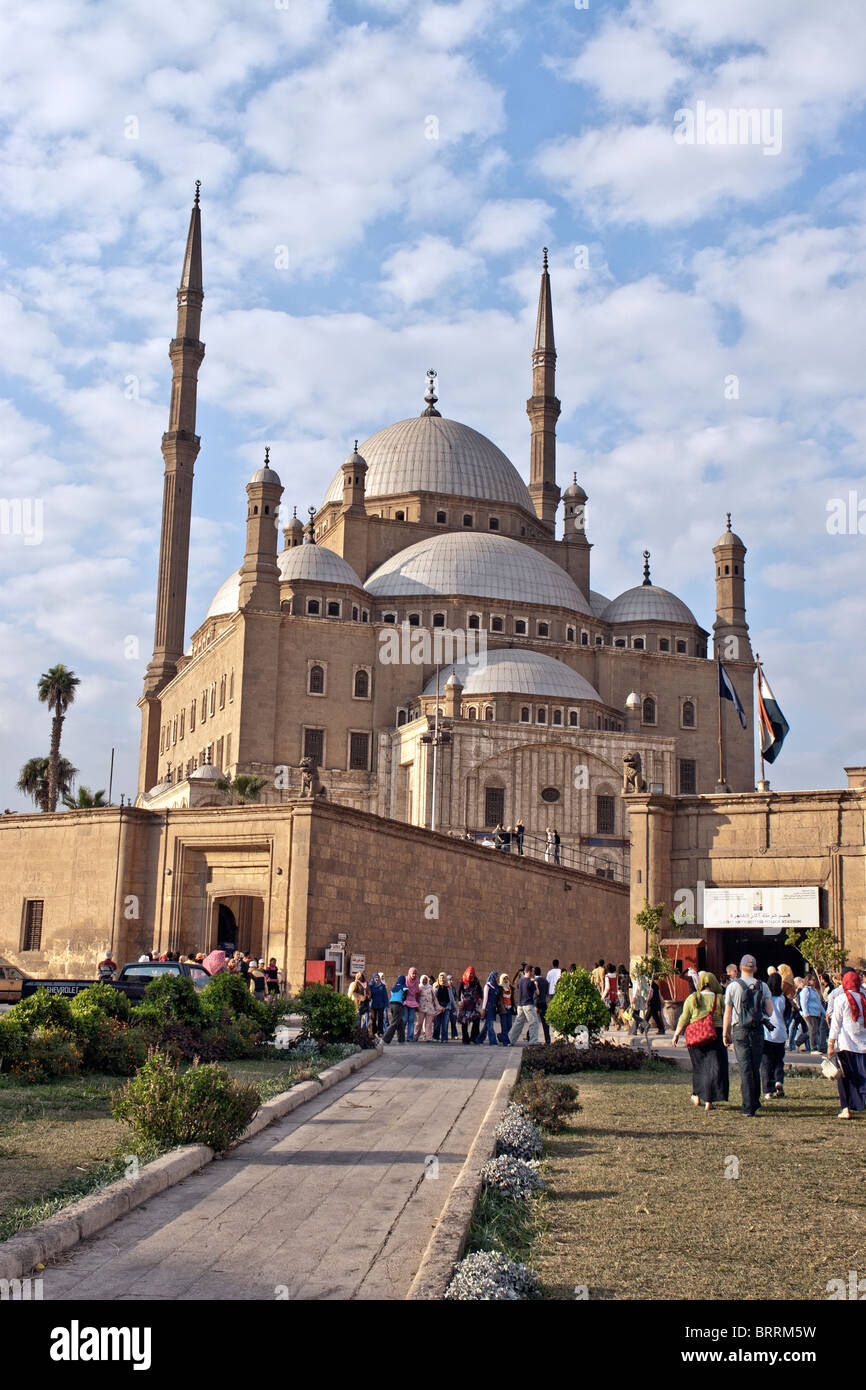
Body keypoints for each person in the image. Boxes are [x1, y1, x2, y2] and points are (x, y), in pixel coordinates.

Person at [723, 954, 772, 1117]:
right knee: (755, 1066)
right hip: (757, 1029)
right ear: (755, 969)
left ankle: (747, 1106)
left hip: (739, 1029)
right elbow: (770, 1011)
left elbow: (728, 1013)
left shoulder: (732, 986)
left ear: (740, 968)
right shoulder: (763, 986)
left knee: (744, 1067)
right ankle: (755, 1101)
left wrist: (725, 1033)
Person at [671, 971, 728, 1111]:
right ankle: (709, 1100)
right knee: (714, 1068)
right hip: (716, 1033)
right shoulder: (720, 998)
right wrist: (728, 1034)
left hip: (696, 1034)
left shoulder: (693, 998)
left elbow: (684, 1017)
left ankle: (696, 1095)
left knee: (699, 1067)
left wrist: (676, 1034)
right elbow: (726, 1016)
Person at [827, 969, 866, 1118]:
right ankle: (858, 1103)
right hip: (863, 1045)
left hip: (846, 1044)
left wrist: (831, 1044)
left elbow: (836, 1024)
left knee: (844, 1077)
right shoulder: (864, 997)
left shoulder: (841, 999)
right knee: (861, 1076)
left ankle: (846, 1108)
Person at [761, 972, 789, 1100]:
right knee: (779, 1060)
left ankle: (768, 1090)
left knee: (766, 1063)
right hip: (780, 1033)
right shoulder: (784, 999)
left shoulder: (765, 998)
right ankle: (778, 1081)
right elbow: (787, 1015)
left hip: (767, 1034)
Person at [509, 966, 540, 1045]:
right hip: (528, 1004)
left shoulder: (520, 981)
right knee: (534, 1023)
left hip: (520, 1005)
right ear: (529, 972)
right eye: (532, 971)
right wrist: (535, 984)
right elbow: (537, 992)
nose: (533, 973)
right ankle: (533, 1041)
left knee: (518, 1023)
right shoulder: (531, 981)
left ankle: (510, 1040)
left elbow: (519, 987)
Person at [798, 974, 824, 1052]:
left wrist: (823, 1012)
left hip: (816, 1013)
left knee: (813, 1030)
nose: (814, 981)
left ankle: (799, 1041)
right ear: (808, 981)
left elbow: (818, 1002)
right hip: (810, 1013)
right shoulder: (806, 990)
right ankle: (814, 1047)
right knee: (813, 1029)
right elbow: (803, 1002)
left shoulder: (814, 990)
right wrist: (805, 1013)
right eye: (812, 980)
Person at [457, 966, 482, 1044]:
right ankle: (465, 1039)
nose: (470, 975)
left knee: (476, 1019)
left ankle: (474, 1037)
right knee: (465, 1021)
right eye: (469, 973)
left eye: (472, 973)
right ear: (466, 973)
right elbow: (459, 991)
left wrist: (480, 998)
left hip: (473, 1003)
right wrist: (459, 1000)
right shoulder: (462, 981)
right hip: (465, 1004)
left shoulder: (476, 980)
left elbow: (480, 990)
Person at [383, 975, 408, 1044]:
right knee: (394, 1023)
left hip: (391, 1005)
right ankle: (385, 1039)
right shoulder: (405, 987)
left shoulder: (394, 987)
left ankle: (401, 1040)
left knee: (400, 1022)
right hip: (398, 1005)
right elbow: (404, 997)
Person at [479, 971, 501, 1046]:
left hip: (493, 1007)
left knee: (487, 1025)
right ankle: (493, 1041)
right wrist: (483, 1009)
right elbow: (485, 998)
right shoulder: (487, 986)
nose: (497, 978)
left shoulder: (496, 986)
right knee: (490, 1025)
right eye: (496, 976)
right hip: (488, 1007)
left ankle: (479, 1039)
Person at [416, 974, 438, 1042]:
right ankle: (416, 1035)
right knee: (419, 1023)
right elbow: (416, 997)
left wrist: (437, 1006)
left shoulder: (430, 987)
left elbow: (434, 997)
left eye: (426, 980)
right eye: (423, 980)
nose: (424, 981)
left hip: (429, 1007)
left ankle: (429, 1037)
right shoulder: (419, 987)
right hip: (421, 1007)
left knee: (429, 1024)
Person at [533, 967, 551, 1044]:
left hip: (536, 1002)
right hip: (543, 1002)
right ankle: (547, 1039)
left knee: (533, 1021)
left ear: (534, 973)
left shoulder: (534, 981)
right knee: (545, 1022)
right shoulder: (545, 981)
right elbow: (547, 993)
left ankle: (530, 1036)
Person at [433, 973, 452, 1041]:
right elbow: (434, 998)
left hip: (446, 1006)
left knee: (445, 1023)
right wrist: (437, 1007)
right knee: (437, 1023)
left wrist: (454, 1007)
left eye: (443, 978)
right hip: (438, 1006)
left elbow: (451, 998)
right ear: (438, 979)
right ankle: (435, 1037)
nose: (442, 979)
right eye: (441, 978)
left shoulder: (448, 987)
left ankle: (444, 1038)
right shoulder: (435, 987)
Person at [404, 966, 421, 1041]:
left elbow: (417, 992)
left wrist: (417, 1002)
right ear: (409, 973)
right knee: (404, 1019)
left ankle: (410, 1037)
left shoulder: (416, 982)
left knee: (411, 1020)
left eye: (415, 973)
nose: (414, 975)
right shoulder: (405, 979)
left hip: (413, 1002)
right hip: (405, 1002)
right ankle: (401, 1034)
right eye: (413, 973)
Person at [601, 962, 618, 1029]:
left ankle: (606, 1025)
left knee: (607, 1011)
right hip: (614, 995)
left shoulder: (607, 976)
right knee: (612, 1010)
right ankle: (617, 1023)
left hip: (609, 996)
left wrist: (603, 996)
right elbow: (616, 985)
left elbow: (607, 987)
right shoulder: (616, 976)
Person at [498, 973, 513, 1045]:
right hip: (503, 1009)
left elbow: (512, 998)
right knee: (504, 1026)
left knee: (509, 1025)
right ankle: (505, 1042)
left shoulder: (510, 987)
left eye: (507, 978)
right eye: (504, 978)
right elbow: (498, 999)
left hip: (509, 1008)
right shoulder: (500, 988)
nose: (506, 980)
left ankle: (501, 1036)